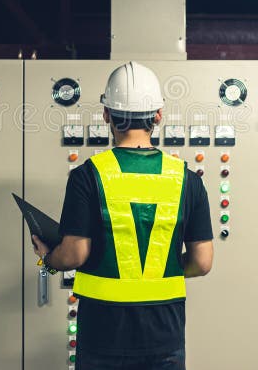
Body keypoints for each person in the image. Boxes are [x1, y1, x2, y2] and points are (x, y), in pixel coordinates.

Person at [32, 61, 214, 370]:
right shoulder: (188, 180)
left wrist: (47, 261)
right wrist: (164, 271)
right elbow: (202, 262)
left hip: (102, 336)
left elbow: (75, 255)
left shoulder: (87, 176)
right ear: (157, 115)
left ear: (106, 115)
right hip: (165, 338)